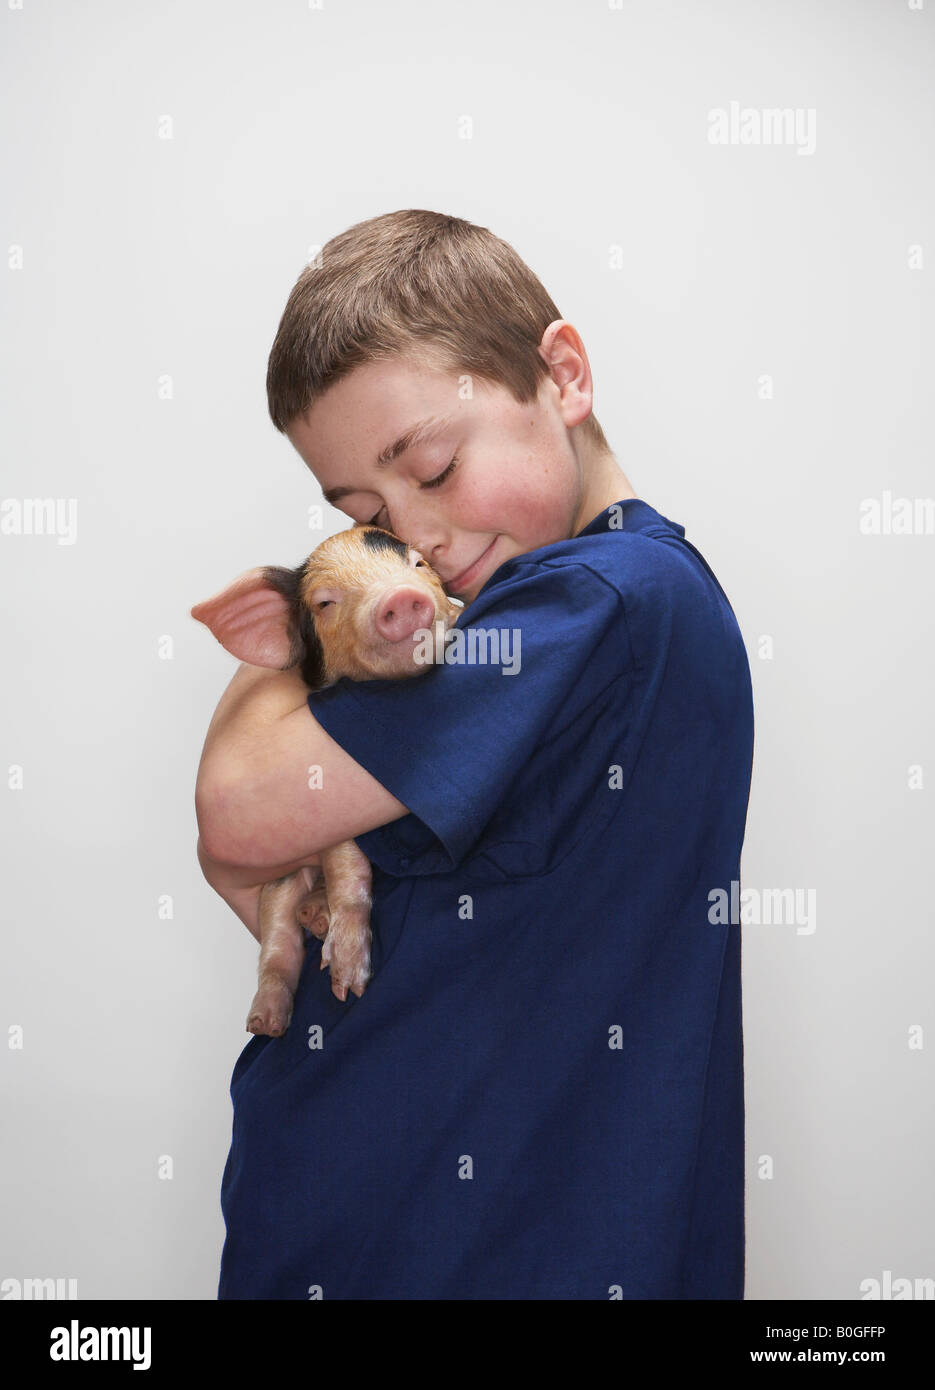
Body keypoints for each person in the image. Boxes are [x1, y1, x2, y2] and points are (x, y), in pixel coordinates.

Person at [194, 209, 755, 1299]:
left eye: (434, 468)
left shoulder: (593, 602)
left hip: (480, 1251)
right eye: (361, 515)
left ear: (563, 375)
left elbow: (236, 811)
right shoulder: (498, 614)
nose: (415, 547)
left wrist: (316, 616)